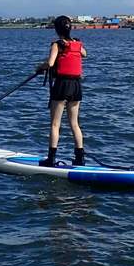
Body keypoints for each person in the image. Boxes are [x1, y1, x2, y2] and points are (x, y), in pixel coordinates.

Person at [36, 15, 86, 167]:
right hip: (76, 86)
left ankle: (50, 159)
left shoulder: (57, 45)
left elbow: (50, 63)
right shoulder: (77, 44)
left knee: (55, 124)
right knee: (74, 123)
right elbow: (84, 53)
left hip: (62, 85)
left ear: (57, 30)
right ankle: (80, 158)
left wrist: (40, 67)